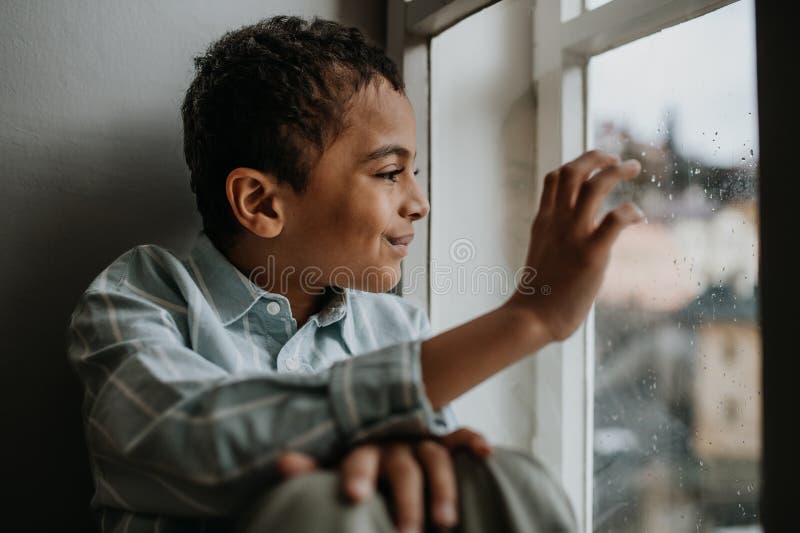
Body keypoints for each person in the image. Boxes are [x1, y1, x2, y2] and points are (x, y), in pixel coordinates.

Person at [66, 15, 644, 533]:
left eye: (414, 171)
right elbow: (182, 440)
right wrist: (527, 320)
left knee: (513, 480)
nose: (419, 202)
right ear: (262, 204)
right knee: (327, 508)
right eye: (390, 172)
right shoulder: (141, 297)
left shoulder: (397, 327)